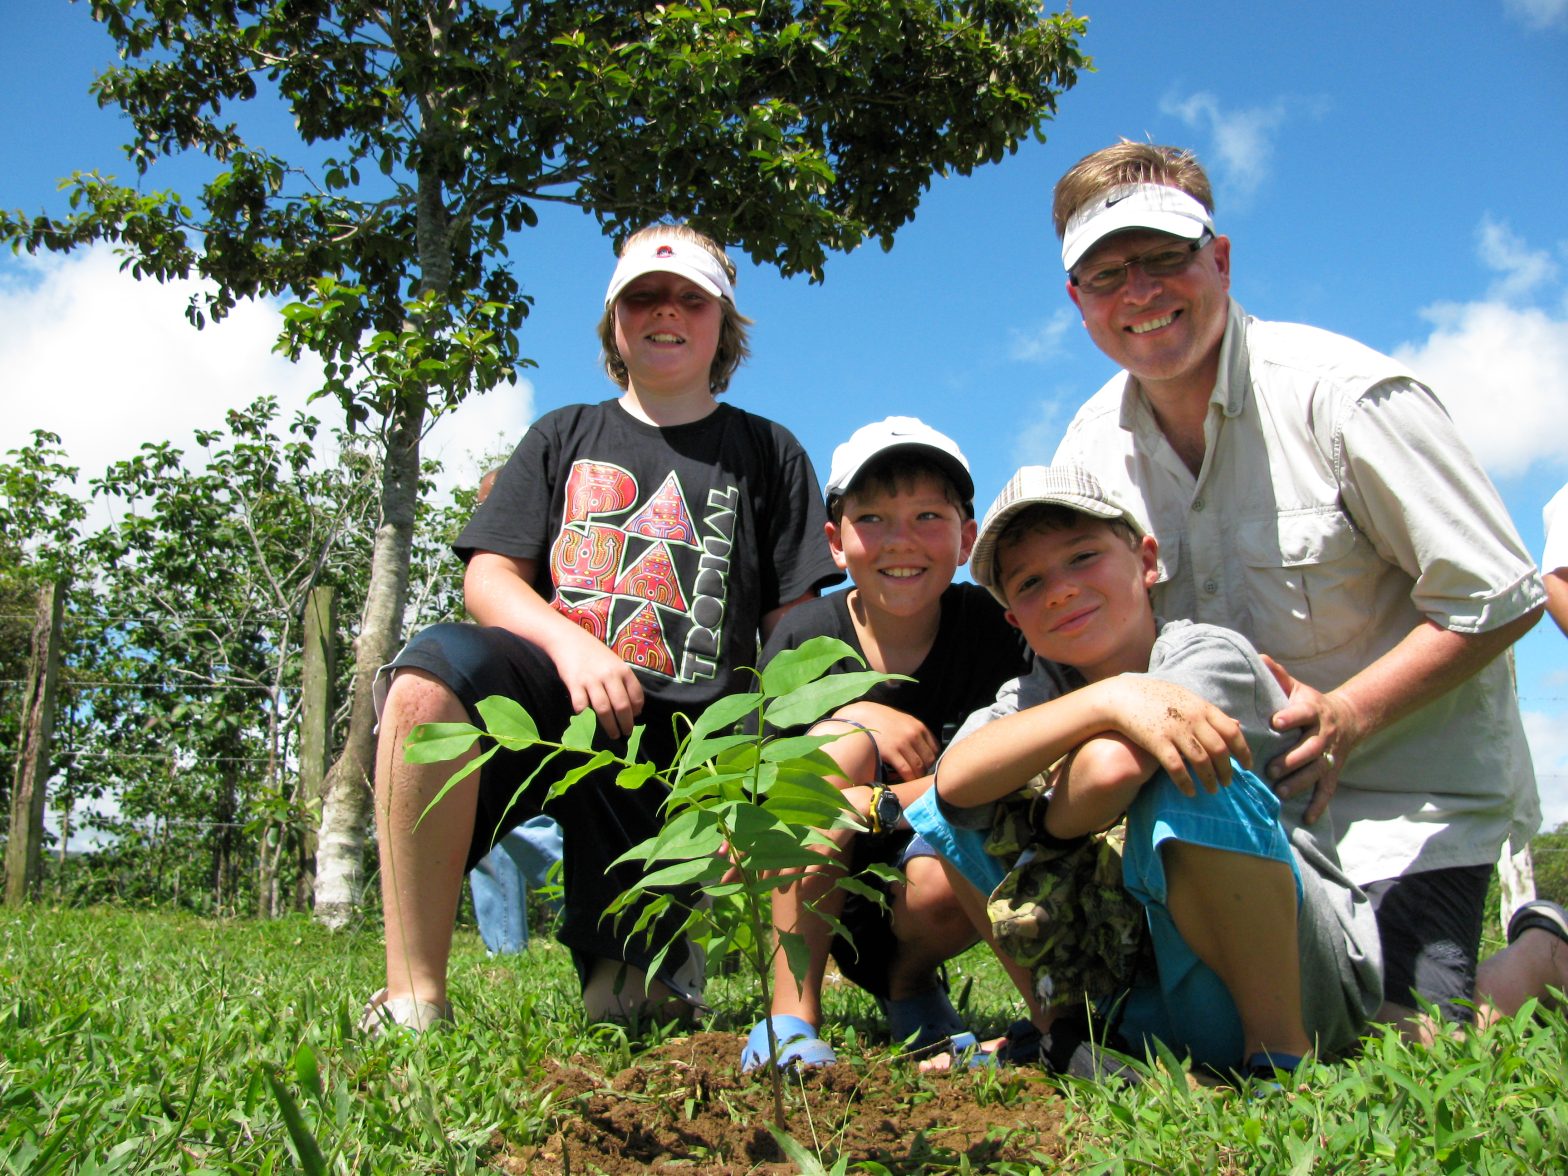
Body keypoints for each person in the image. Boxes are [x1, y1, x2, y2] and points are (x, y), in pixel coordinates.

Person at [1046, 141, 1546, 1035]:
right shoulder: (1085, 455)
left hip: (1406, 791)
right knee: (1217, 1025)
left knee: (1400, 1039)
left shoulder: (1345, 397)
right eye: (1107, 273)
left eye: (1167, 258)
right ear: (1078, 302)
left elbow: (1499, 594)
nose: (1143, 292)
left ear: (1221, 259)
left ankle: (1545, 947)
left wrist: (1352, 713)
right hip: (1227, 802)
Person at [362, 222, 842, 1032]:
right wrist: (572, 642)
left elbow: (793, 631)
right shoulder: (561, 435)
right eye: (644, 298)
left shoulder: (768, 451)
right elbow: (489, 576)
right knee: (426, 682)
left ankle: (650, 957)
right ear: (614, 323)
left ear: (724, 323)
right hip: (554, 704)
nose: (667, 314)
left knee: (631, 1012)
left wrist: (762, 762)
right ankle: (413, 998)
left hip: (681, 750)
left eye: (692, 299)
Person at [908, 465, 1381, 1079]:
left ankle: (1278, 1059)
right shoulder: (1034, 692)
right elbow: (953, 782)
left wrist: (1045, 817)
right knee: (946, 818)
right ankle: (1067, 1034)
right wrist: (1106, 700)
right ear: (1015, 623)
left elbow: (1113, 769)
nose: (1060, 590)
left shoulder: (1209, 654)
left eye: (1082, 557)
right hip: (1151, 981)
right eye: (1029, 583)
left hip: (1294, 980)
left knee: (1192, 783)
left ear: (1147, 561)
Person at [740, 417, 1033, 1070]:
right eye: (871, 518)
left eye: (928, 515)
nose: (901, 541)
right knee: (838, 743)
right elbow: (749, 799)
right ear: (836, 545)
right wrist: (859, 717)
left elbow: (1017, 766)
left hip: (929, 885)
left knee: (959, 841)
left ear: (966, 539)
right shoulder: (804, 638)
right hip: (816, 890)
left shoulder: (991, 632)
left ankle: (908, 987)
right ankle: (790, 1014)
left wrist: (878, 801)